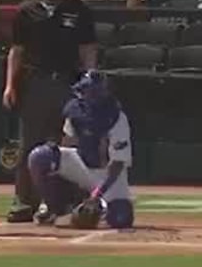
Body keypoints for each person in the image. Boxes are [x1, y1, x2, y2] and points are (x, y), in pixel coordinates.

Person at [3, 0, 98, 224]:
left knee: (62, 147)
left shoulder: (77, 10)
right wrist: (10, 84)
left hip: (67, 82)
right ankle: (23, 201)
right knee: (29, 145)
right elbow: (17, 51)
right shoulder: (27, 11)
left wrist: (90, 80)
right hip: (35, 82)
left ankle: (54, 201)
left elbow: (88, 48)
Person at [26, 71, 135, 230]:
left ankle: (100, 210)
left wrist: (96, 195)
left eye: (90, 92)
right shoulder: (75, 111)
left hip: (107, 175)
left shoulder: (116, 117)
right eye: (84, 91)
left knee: (121, 218)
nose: (85, 96)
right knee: (40, 157)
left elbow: (117, 164)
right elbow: (68, 143)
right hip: (81, 163)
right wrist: (69, 184)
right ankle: (54, 207)